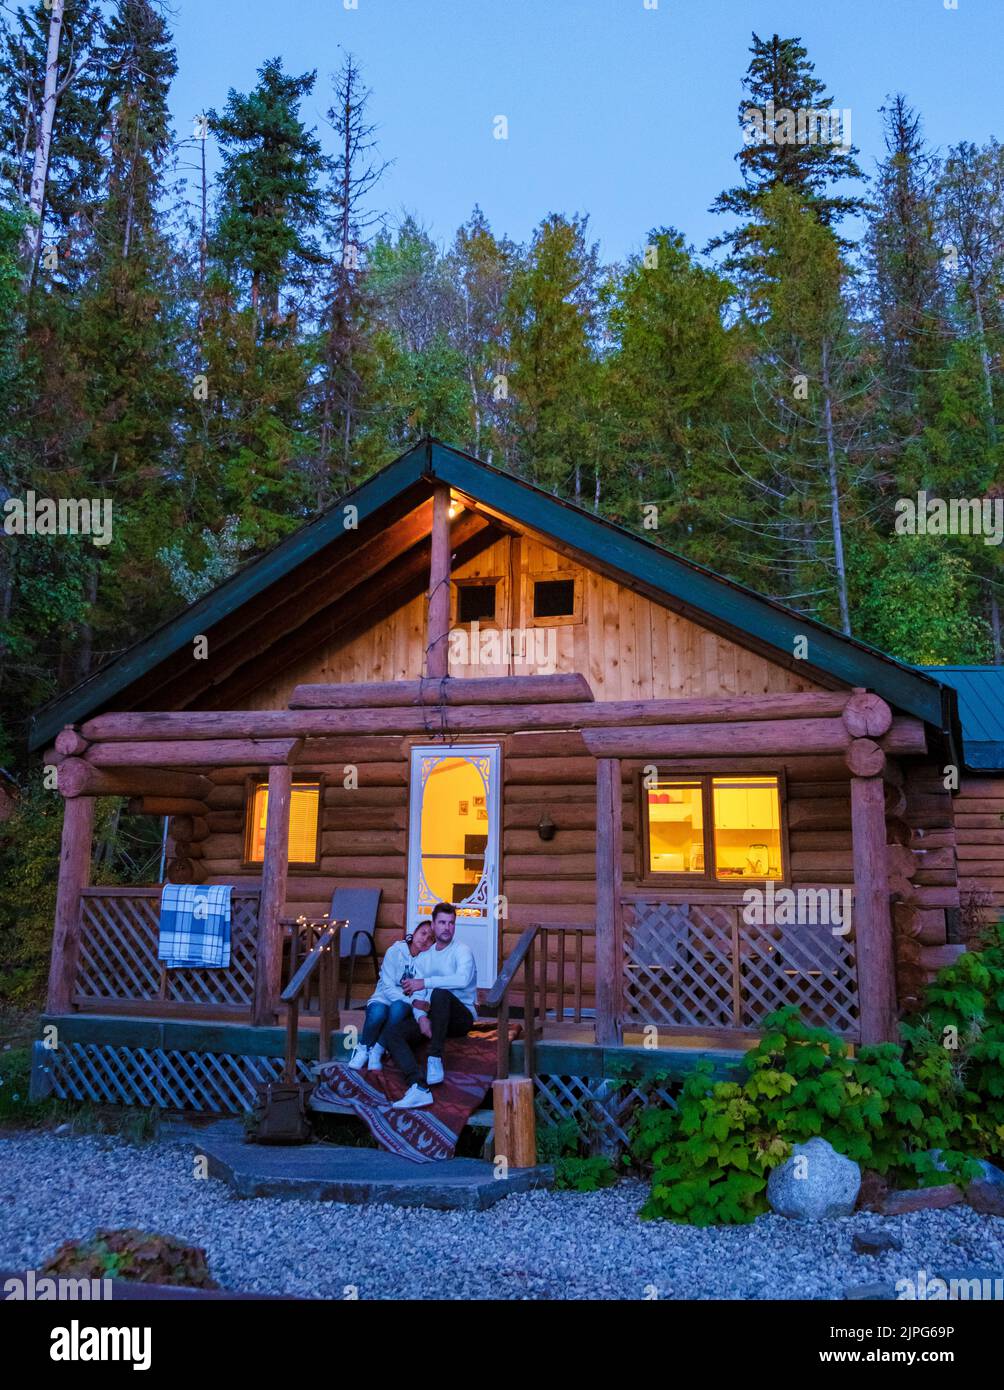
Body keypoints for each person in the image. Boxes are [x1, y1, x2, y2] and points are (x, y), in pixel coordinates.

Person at [386, 902, 477, 1110]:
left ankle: (434, 1057)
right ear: (434, 925)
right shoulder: (425, 957)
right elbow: (418, 995)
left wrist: (425, 983)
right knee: (393, 1033)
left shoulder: (462, 951)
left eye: (451, 923)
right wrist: (421, 1017)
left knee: (440, 993)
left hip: (460, 1017)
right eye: (442, 922)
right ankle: (418, 1087)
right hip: (434, 1016)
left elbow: (462, 980)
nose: (447, 927)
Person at [346, 919, 435, 1071]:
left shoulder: (427, 962)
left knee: (398, 1009)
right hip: (383, 997)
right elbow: (387, 986)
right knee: (378, 1013)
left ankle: (378, 1050)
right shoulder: (395, 952)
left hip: (405, 1003)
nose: (425, 939)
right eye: (423, 933)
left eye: (431, 938)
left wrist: (415, 1004)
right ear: (414, 933)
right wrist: (410, 1000)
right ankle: (364, 1048)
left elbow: (422, 990)